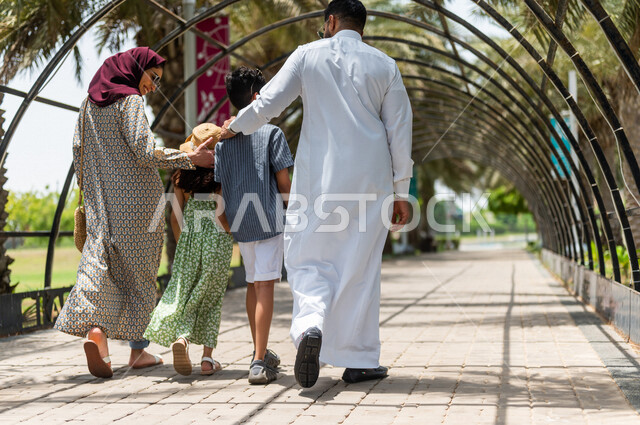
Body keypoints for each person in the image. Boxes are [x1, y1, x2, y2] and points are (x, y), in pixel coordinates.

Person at [221, 0, 413, 388]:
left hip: (318, 181)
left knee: (309, 259)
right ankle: (358, 361)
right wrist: (401, 192)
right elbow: (400, 129)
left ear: (330, 21)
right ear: (362, 26)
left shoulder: (307, 56)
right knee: (360, 269)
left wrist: (235, 126)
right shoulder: (385, 65)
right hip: (370, 182)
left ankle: (310, 327)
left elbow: (268, 103)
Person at [54, 47, 216, 379]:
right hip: (139, 206)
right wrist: (190, 159)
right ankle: (137, 350)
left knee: (98, 269)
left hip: (102, 203)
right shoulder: (129, 101)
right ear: (135, 69)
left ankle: (97, 335)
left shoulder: (87, 106)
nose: (153, 86)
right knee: (140, 277)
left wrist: (91, 192)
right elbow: (145, 151)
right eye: (152, 77)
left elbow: (77, 151)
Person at [215, 67, 294, 384]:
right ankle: (259, 362)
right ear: (258, 97)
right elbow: (284, 184)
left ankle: (257, 351)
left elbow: (219, 190)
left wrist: (226, 224)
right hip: (269, 220)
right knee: (265, 286)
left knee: (252, 284)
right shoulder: (272, 135)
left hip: (240, 223)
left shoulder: (223, 144)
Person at [143, 123, 233, 376]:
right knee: (211, 299)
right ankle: (207, 359)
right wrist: (228, 233)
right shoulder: (222, 175)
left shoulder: (181, 176)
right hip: (216, 242)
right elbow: (222, 216)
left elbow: (174, 217)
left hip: (189, 242)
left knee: (182, 292)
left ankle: (181, 339)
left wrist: (184, 243)